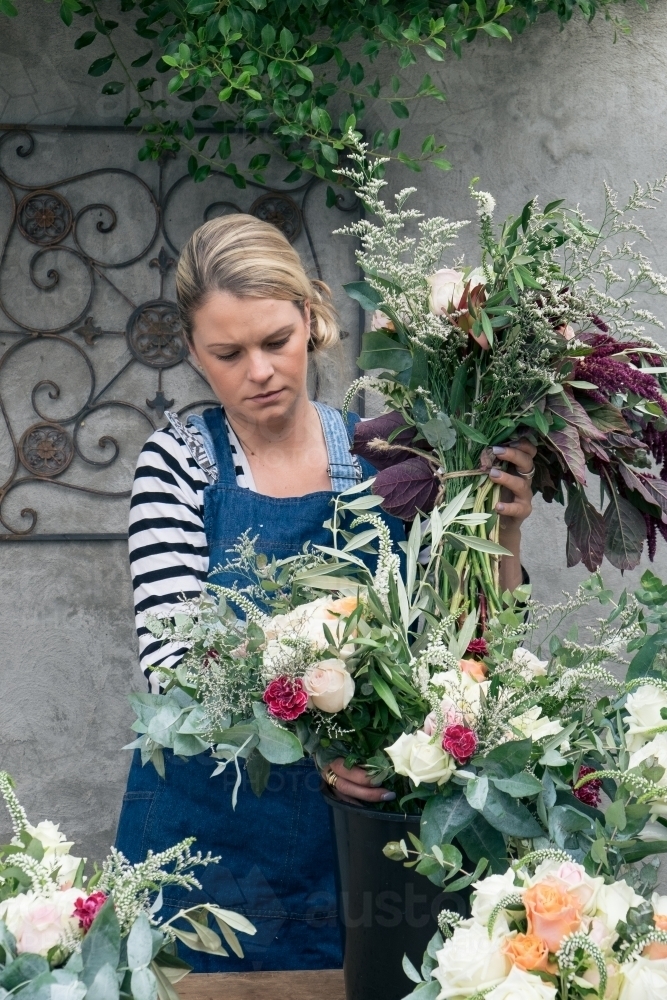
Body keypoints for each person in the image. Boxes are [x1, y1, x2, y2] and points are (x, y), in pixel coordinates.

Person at [115, 213, 536, 972]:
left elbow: (472, 645)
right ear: (192, 354)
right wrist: (319, 750)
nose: (259, 371)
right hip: (201, 852)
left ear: (312, 318)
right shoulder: (179, 466)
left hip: (360, 849)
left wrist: (503, 530)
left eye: (275, 341)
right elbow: (173, 669)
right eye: (227, 353)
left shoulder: (386, 460)